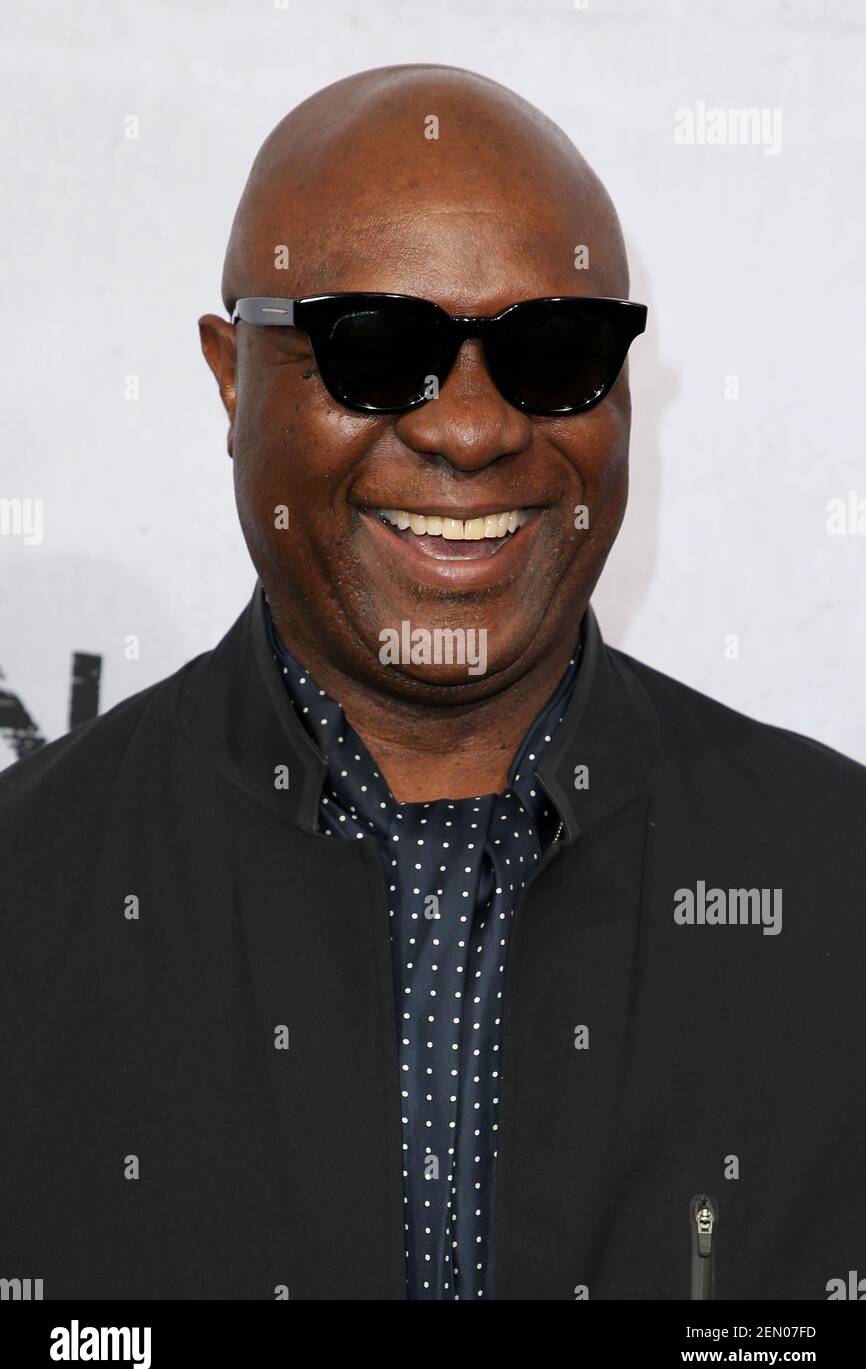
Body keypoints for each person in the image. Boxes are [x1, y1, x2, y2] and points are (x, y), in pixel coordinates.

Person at [2, 64, 864, 1302]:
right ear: (231, 376)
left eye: (551, 351)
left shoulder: (836, 884)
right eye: (375, 349)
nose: (471, 429)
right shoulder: (27, 901)